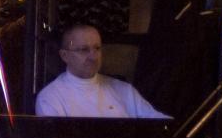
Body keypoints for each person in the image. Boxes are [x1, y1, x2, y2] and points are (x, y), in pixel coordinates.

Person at [35, 23, 169, 119]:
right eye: (84, 49)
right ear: (64, 55)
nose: (93, 56)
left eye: (97, 48)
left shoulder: (124, 91)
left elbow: (158, 126)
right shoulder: (50, 98)